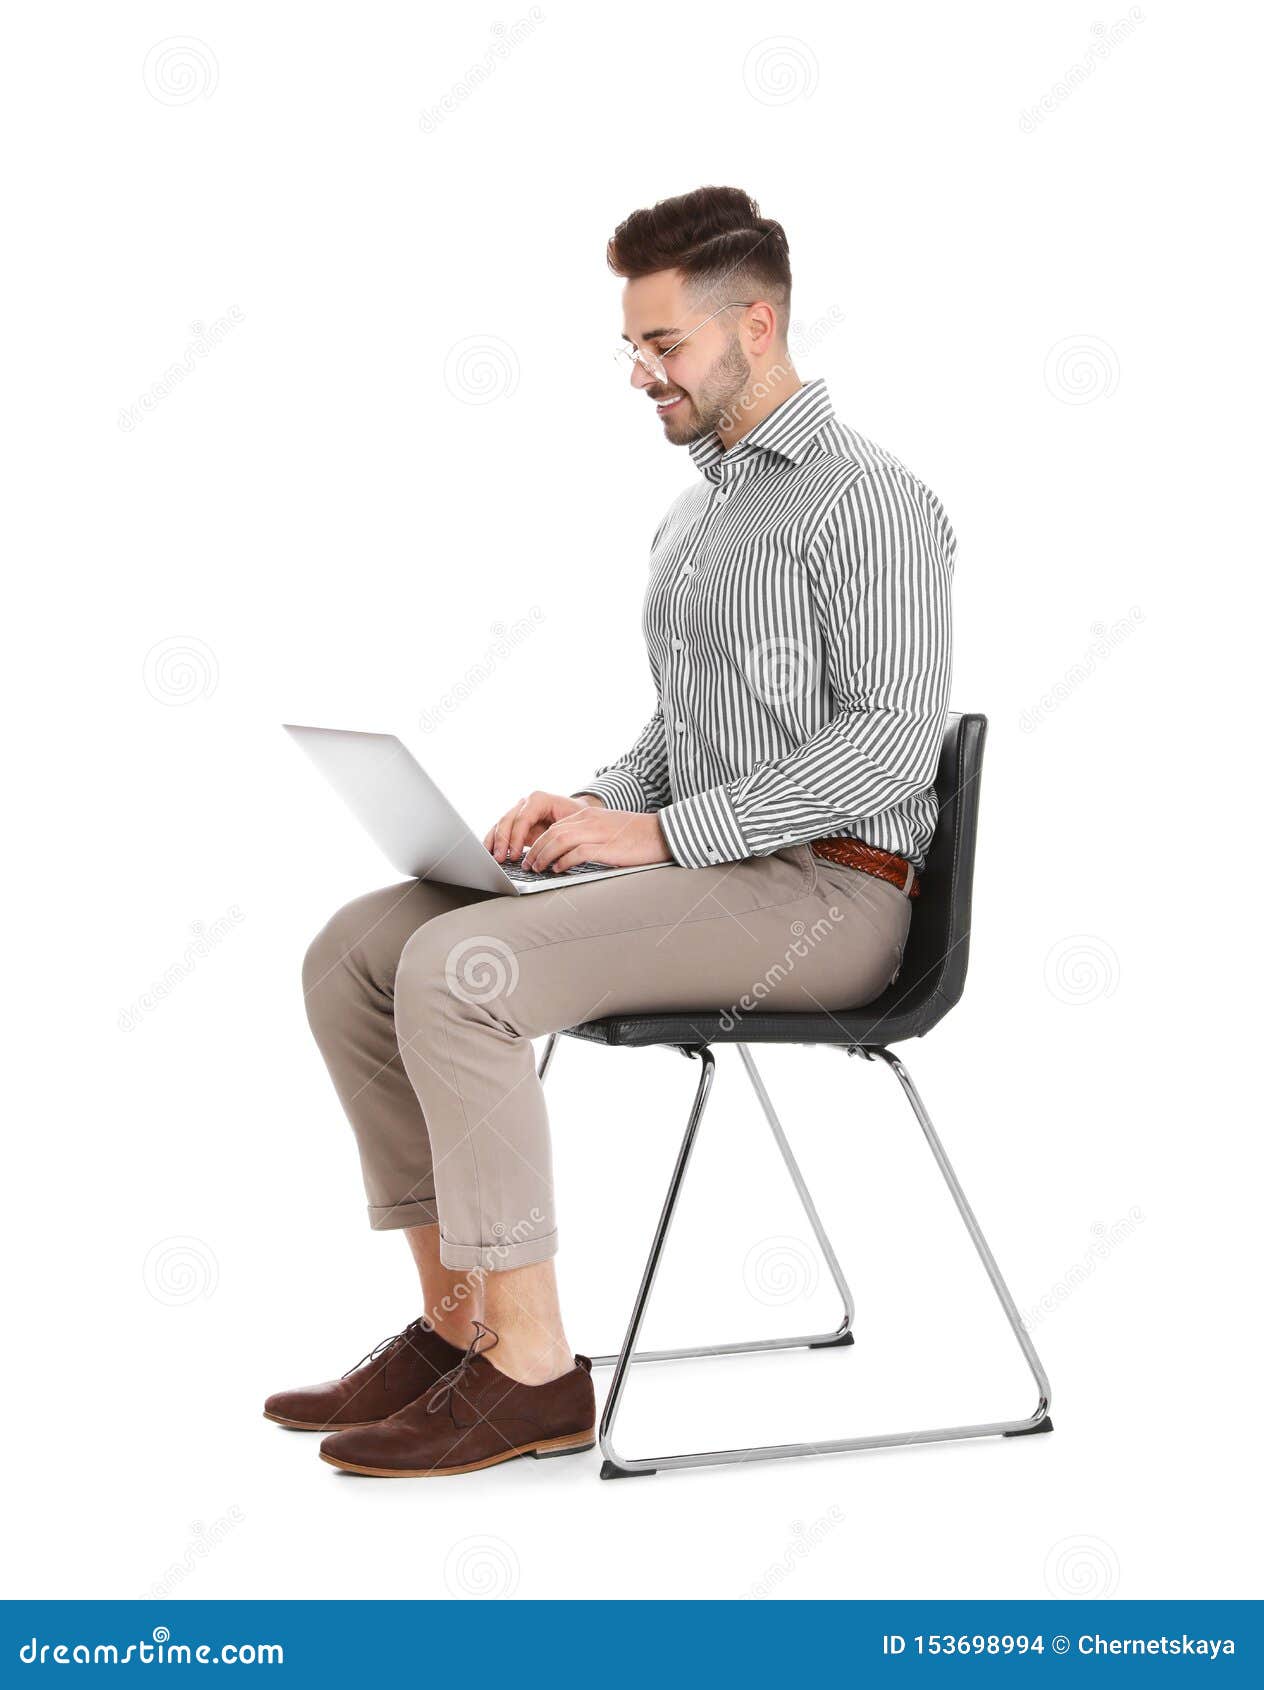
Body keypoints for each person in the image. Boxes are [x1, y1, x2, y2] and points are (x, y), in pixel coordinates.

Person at [264, 184, 956, 1479]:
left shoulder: (870, 502)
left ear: (756, 324)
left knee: (461, 970)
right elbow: (681, 729)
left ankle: (533, 1374)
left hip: (832, 902)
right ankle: (458, 1321)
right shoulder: (697, 511)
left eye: (664, 345)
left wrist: (663, 836)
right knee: (358, 948)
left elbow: (889, 743)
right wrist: (591, 808)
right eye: (631, 348)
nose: (641, 374)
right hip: (718, 874)